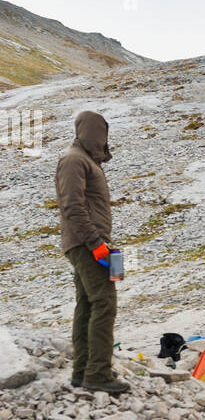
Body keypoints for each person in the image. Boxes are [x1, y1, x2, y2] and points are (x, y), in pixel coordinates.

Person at [55, 111, 129, 395]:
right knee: (104, 304)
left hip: (88, 243)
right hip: (87, 244)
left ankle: (82, 373)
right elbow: (71, 206)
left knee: (87, 305)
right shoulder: (74, 160)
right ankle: (97, 374)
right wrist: (96, 242)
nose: (104, 141)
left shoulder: (83, 161)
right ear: (91, 132)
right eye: (102, 134)